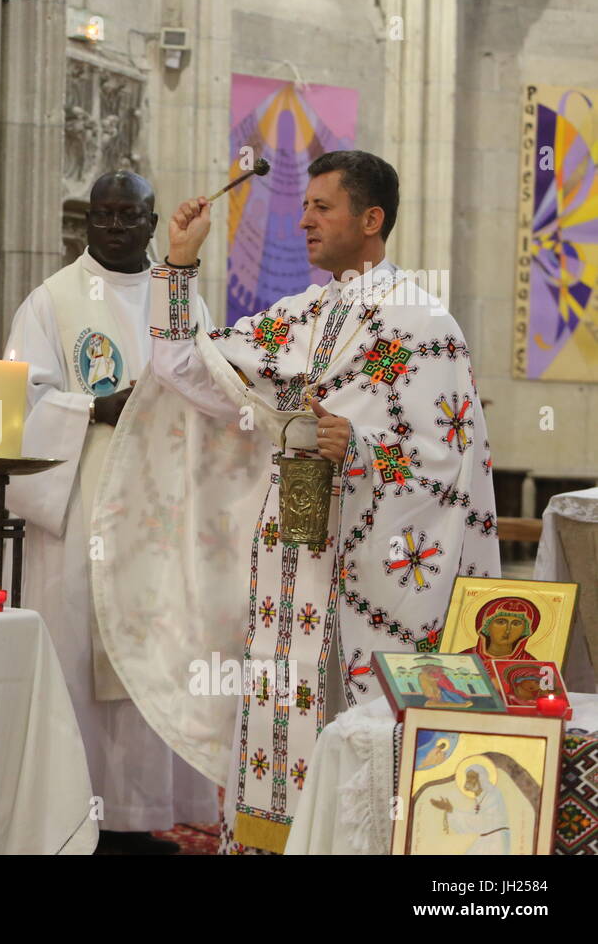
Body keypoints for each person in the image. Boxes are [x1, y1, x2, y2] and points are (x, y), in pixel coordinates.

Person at [93, 151, 500, 854]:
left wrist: (366, 449)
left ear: (371, 220)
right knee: (280, 731)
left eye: (322, 207)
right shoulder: (301, 318)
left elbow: (455, 461)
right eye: (304, 205)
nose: (303, 220)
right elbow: (187, 369)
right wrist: (179, 269)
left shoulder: (424, 324)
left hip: (373, 573)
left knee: (358, 740)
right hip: (291, 565)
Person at [4, 169, 217, 853]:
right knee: (78, 664)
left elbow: (211, 385)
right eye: (104, 215)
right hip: (79, 511)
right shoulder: (48, 302)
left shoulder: (181, 299)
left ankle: (146, 812)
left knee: (157, 659)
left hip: (163, 514)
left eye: (131, 215)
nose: (117, 226)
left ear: (154, 222)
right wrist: (92, 407)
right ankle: (78, 813)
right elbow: (11, 417)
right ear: (85, 221)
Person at [430, 764, 512, 854]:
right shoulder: (480, 798)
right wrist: (450, 811)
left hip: (497, 841)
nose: (468, 780)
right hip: (486, 838)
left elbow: (483, 822)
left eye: (472, 777)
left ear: (481, 778)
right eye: (467, 777)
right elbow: (472, 822)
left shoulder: (493, 793)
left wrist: (451, 810)